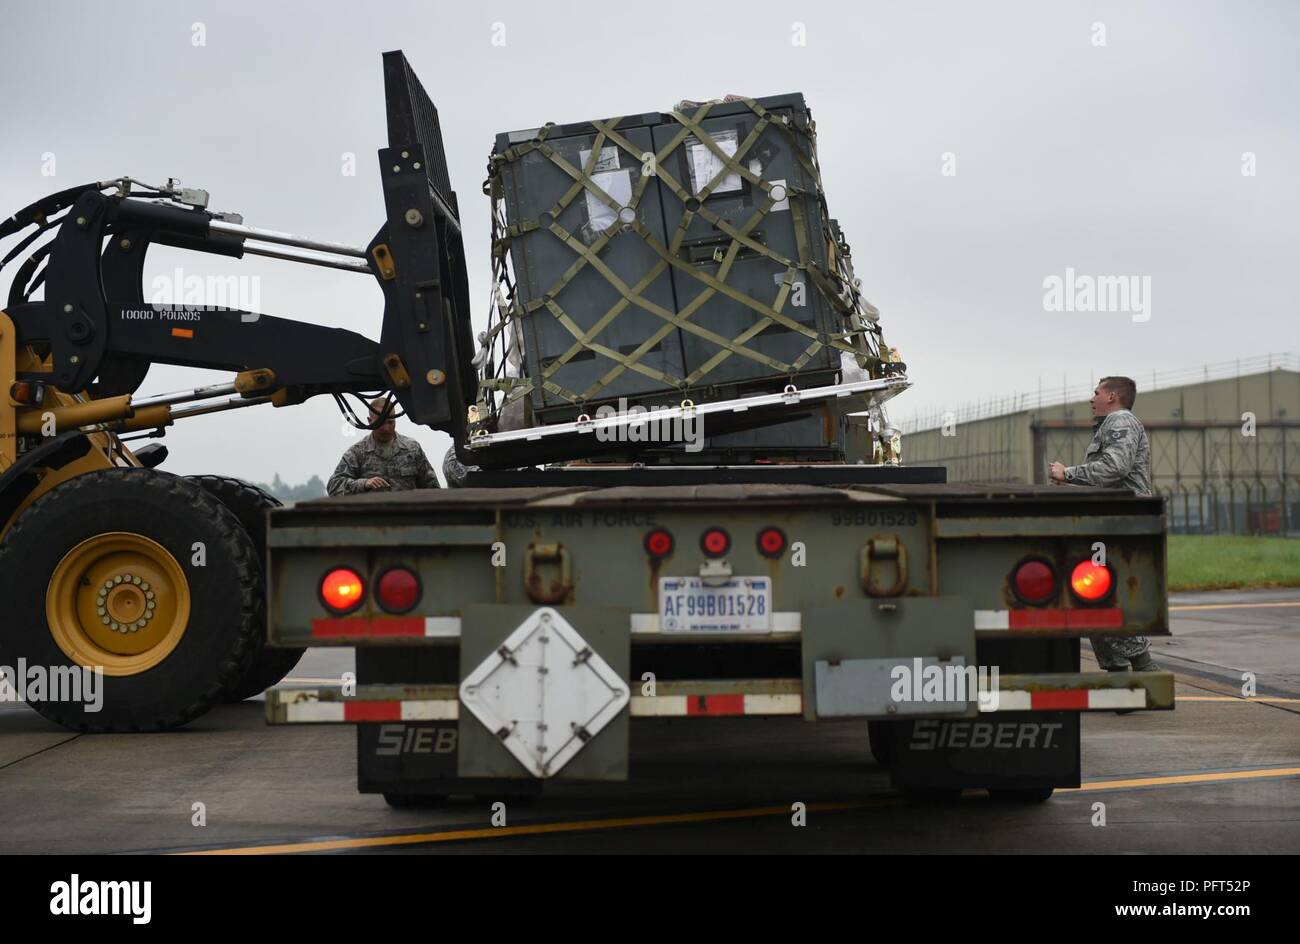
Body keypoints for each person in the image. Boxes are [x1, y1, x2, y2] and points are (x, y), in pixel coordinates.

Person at [1048, 376, 1159, 675]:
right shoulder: (1110, 425)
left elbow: (1115, 467)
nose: (1091, 398)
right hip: (1109, 520)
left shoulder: (1120, 421)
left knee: (1105, 594)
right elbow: (1108, 478)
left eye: (1096, 392)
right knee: (1090, 595)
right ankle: (1118, 671)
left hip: (1121, 521)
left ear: (1112, 396)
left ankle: (1143, 666)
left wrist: (1067, 474)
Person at [327, 398, 440, 495]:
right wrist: (364, 484)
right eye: (381, 422)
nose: (386, 428)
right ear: (369, 421)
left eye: (390, 422)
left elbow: (432, 487)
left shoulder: (412, 449)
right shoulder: (357, 452)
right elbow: (334, 486)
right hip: (373, 517)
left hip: (407, 517)